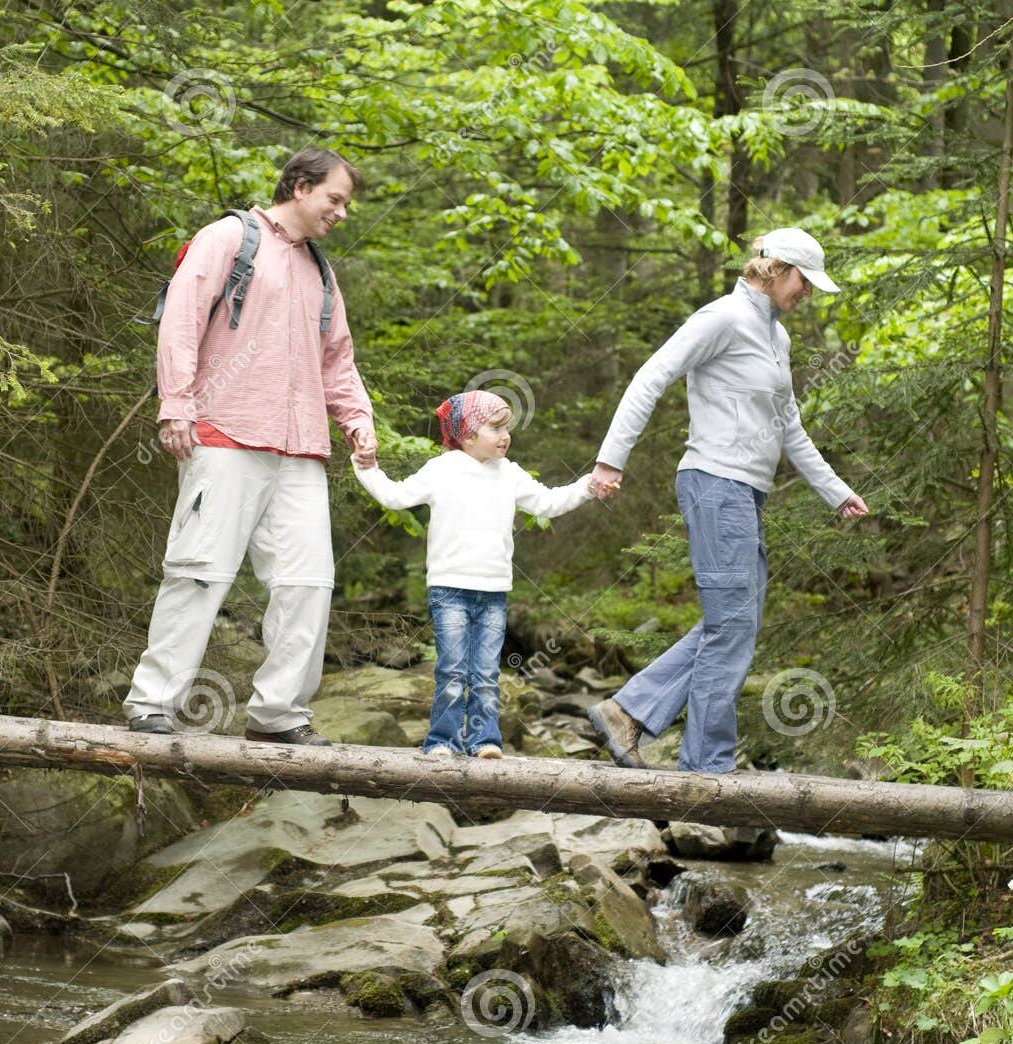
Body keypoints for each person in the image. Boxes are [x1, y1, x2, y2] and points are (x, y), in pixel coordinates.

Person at [585, 228, 869, 774]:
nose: (808, 293)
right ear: (777, 269)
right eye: (805, 281)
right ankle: (706, 766)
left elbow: (790, 427)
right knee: (733, 625)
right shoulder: (721, 318)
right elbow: (651, 377)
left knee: (734, 622)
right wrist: (609, 459)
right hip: (714, 483)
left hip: (744, 493)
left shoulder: (776, 339)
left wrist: (836, 491)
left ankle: (629, 710)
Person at [124, 148, 377, 745]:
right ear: (298, 185)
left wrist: (357, 420)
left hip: (302, 448)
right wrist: (176, 404)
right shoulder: (228, 238)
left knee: (308, 582)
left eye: (346, 204)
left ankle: (278, 714)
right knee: (198, 574)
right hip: (224, 433)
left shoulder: (322, 272)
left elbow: (337, 359)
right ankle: (153, 705)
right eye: (333, 199)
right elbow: (181, 320)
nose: (341, 213)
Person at [354, 391, 595, 758]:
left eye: (507, 427)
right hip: (449, 589)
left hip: (494, 592)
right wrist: (367, 466)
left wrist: (588, 486)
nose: (505, 435)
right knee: (452, 670)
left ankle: (484, 741)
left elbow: (548, 501)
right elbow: (395, 496)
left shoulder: (509, 473)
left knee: (485, 674)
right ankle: (442, 741)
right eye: (495, 427)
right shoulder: (442, 469)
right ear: (467, 435)